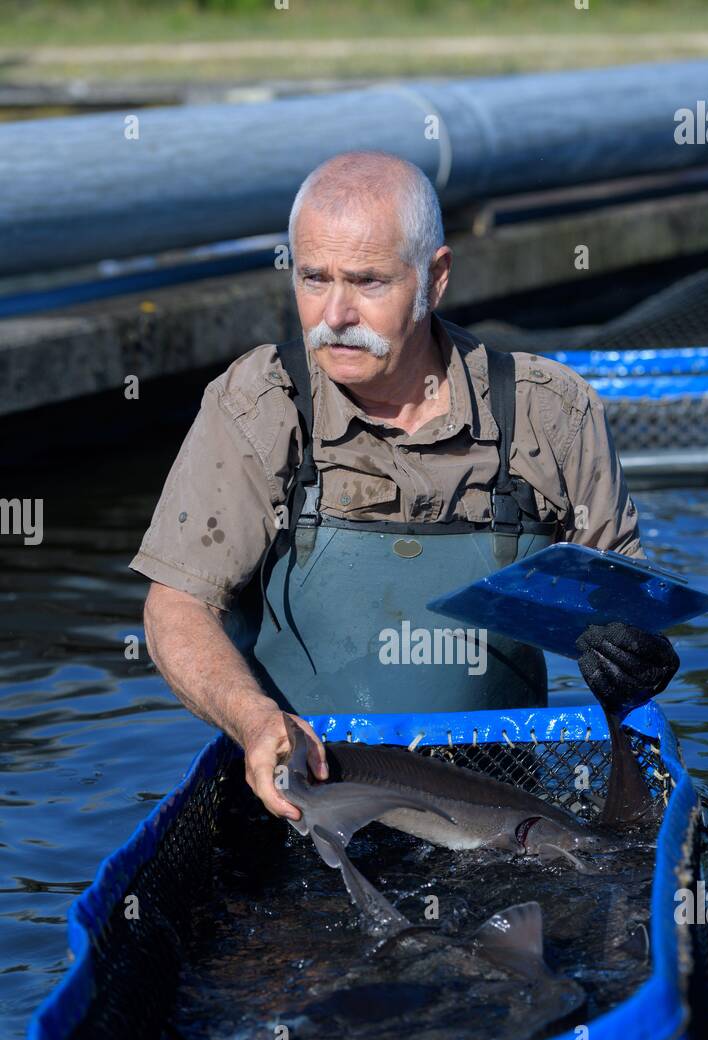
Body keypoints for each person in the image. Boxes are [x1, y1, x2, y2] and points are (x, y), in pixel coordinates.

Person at [131, 150, 676, 822]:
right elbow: (176, 607)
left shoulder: (550, 412)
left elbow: (627, 612)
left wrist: (633, 653)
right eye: (313, 279)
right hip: (304, 797)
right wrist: (254, 720)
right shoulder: (259, 404)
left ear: (434, 278)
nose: (333, 314)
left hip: (496, 810)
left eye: (367, 282)